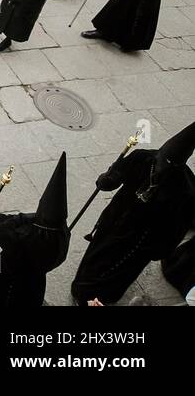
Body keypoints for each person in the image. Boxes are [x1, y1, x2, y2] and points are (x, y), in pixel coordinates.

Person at [71, 120, 195, 306]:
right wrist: (106, 180)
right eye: (162, 160)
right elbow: (114, 176)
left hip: (139, 241)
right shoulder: (143, 158)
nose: (162, 166)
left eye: (168, 165)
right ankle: (81, 290)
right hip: (114, 222)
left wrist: (160, 249)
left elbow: (177, 227)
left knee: (120, 270)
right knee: (95, 259)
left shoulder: (186, 188)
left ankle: (103, 298)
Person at [0, 154, 70, 307]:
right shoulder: (62, 233)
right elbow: (26, 223)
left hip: (7, 280)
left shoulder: (28, 240)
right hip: (34, 284)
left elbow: (3, 232)